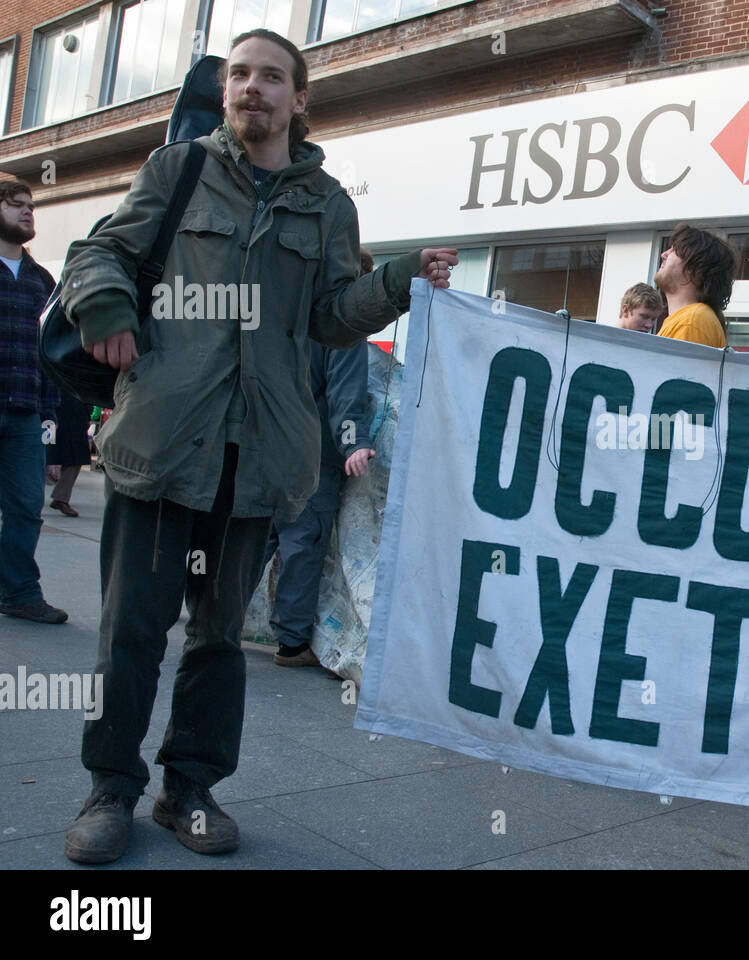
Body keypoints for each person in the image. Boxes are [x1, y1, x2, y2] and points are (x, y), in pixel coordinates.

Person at [59, 29, 457, 865]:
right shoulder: (180, 171)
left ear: (299, 99)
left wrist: (395, 285)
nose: (251, 89)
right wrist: (106, 310)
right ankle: (110, 790)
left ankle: (189, 790)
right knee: (131, 628)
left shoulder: (327, 205)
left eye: (270, 77)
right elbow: (102, 249)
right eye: (238, 75)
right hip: (164, 441)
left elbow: (329, 318)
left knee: (216, 636)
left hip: (255, 455)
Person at [262, 251, 377, 670]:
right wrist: (354, 443)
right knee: (301, 544)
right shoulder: (344, 325)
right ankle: (291, 643)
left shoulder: (283, 307)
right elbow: (346, 391)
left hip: (262, 443)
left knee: (251, 535)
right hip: (310, 455)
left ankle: (209, 614)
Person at [0, 177, 66, 625]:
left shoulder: (43, 280)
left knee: (27, 506)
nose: (27, 212)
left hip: (26, 416)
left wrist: (51, 425)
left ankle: (19, 592)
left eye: (30, 205)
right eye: (15, 205)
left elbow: (53, 356)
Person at [654, 224, 739, 348]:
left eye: (675, 250)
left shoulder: (691, 321)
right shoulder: (690, 319)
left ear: (696, 268)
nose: (664, 254)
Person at [46, 391, 92, 517]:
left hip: (76, 414)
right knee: (43, 455)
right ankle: (31, 500)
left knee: (76, 458)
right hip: (51, 413)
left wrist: (86, 414)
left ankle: (61, 498)